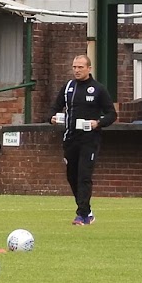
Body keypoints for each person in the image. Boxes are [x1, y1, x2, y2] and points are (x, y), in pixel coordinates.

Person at [50, 53, 116, 225]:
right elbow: (54, 108)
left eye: (80, 67)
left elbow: (111, 114)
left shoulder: (98, 89)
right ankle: (87, 212)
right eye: (74, 67)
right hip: (70, 139)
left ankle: (81, 215)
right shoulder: (68, 87)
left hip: (90, 140)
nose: (77, 70)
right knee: (72, 176)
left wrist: (97, 123)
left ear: (89, 68)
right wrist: (52, 118)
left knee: (84, 176)